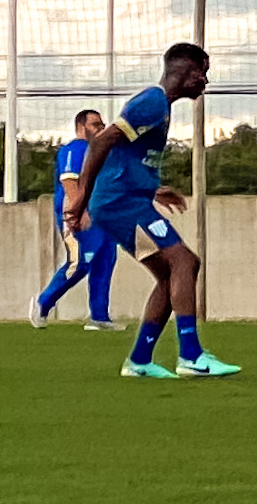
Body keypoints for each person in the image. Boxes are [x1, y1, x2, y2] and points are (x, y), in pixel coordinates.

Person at [62, 44, 240, 379]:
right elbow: (102, 142)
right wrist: (82, 196)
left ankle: (140, 360)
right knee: (185, 262)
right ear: (184, 72)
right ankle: (190, 354)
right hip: (121, 205)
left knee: (169, 274)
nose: (205, 80)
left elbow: (125, 157)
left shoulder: (161, 107)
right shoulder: (153, 101)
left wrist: (155, 188)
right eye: (202, 72)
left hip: (127, 201)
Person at [32, 109, 121, 330]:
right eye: (94, 124)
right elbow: (70, 182)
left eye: (101, 124)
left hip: (102, 217)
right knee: (80, 263)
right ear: (81, 127)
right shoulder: (75, 149)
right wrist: (79, 212)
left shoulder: (102, 152)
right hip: (79, 217)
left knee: (105, 260)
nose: (101, 127)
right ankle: (43, 302)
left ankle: (99, 317)